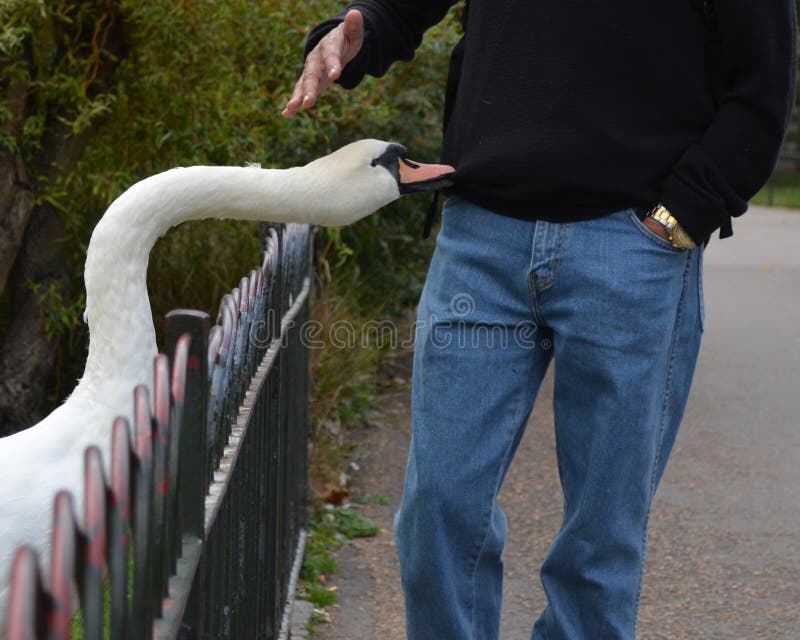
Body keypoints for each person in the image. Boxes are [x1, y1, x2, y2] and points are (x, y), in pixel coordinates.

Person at [283, 2, 797, 639]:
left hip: (632, 251)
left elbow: (761, 86)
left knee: (599, 543)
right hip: (482, 241)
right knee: (437, 509)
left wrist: (680, 216)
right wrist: (359, 29)